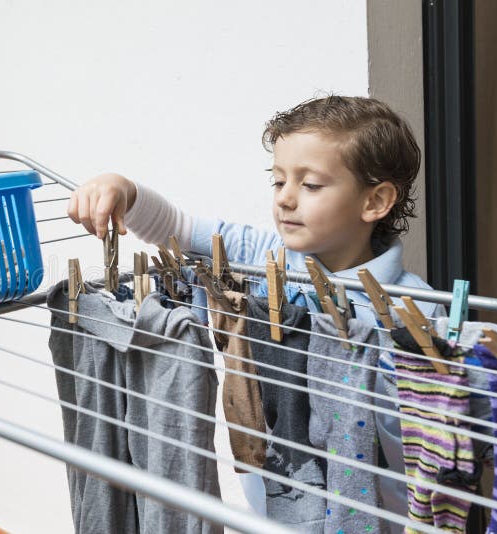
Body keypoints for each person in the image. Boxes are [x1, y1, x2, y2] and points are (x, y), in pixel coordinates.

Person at [67, 94, 445, 526]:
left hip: (382, 516)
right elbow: (177, 228)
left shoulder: (417, 310)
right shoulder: (266, 257)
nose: (285, 199)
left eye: (310, 185)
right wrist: (123, 190)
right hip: (276, 501)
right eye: (279, 182)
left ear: (374, 202)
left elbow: (430, 431)